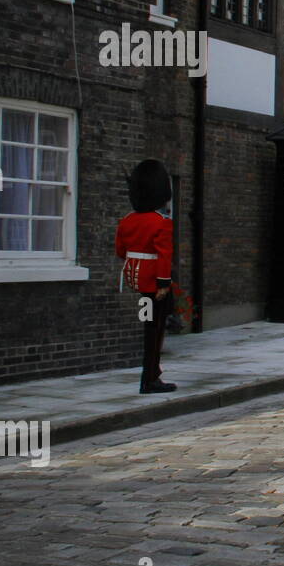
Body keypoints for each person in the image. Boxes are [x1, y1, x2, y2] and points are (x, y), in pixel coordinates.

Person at [116, 159, 177, 394]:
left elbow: (121, 251)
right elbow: (164, 256)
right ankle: (150, 378)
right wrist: (163, 283)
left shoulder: (127, 220)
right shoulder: (161, 223)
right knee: (155, 330)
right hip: (155, 284)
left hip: (136, 280)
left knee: (149, 328)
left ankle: (150, 375)